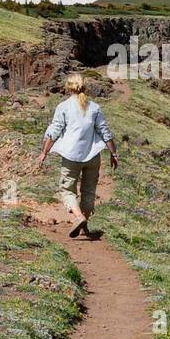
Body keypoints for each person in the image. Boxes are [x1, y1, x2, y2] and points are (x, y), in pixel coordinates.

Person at [37, 73, 118, 238]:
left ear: (68, 88)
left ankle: (79, 217)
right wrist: (113, 153)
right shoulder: (94, 107)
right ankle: (84, 223)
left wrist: (44, 152)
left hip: (70, 156)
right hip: (92, 156)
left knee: (67, 189)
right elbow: (105, 132)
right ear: (84, 87)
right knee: (89, 191)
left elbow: (54, 132)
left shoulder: (63, 107)